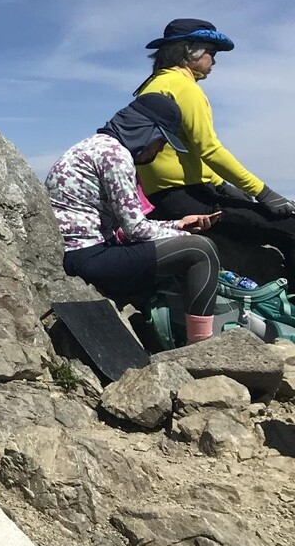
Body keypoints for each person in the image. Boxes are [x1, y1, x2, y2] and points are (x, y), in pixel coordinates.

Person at [45, 95, 223, 342]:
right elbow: (135, 230)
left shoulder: (95, 146)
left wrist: (177, 224)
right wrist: (184, 235)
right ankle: (202, 347)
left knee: (181, 246)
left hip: (79, 252)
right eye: (161, 141)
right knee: (200, 251)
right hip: (87, 257)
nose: (160, 150)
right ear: (145, 132)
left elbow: (122, 228)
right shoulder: (115, 157)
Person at [134, 18, 295, 275]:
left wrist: (221, 185)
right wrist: (263, 192)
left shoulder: (153, 85)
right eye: (211, 52)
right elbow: (209, 149)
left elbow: (181, 153)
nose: (214, 61)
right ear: (189, 50)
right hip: (189, 198)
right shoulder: (183, 87)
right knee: (290, 227)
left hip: (165, 197)